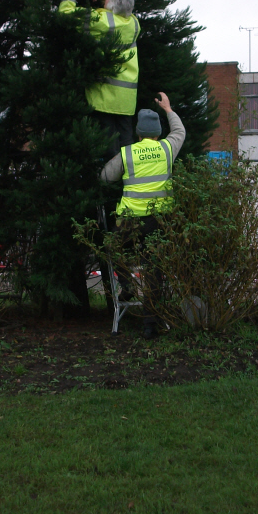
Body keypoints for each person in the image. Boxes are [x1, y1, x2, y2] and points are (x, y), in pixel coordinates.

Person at [101, 92, 185, 338]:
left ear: (139, 134)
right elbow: (180, 132)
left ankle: (126, 285)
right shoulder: (167, 149)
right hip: (159, 222)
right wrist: (168, 109)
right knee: (154, 271)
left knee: (114, 248)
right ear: (157, 134)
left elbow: (105, 177)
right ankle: (150, 325)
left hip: (129, 222)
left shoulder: (128, 154)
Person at [60, 0, 140, 159]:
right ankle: (129, 183)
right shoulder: (134, 23)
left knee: (109, 151)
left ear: (112, 6)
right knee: (127, 149)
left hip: (104, 97)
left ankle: (110, 184)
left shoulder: (101, 21)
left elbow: (66, 14)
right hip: (126, 100)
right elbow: (120, 9)